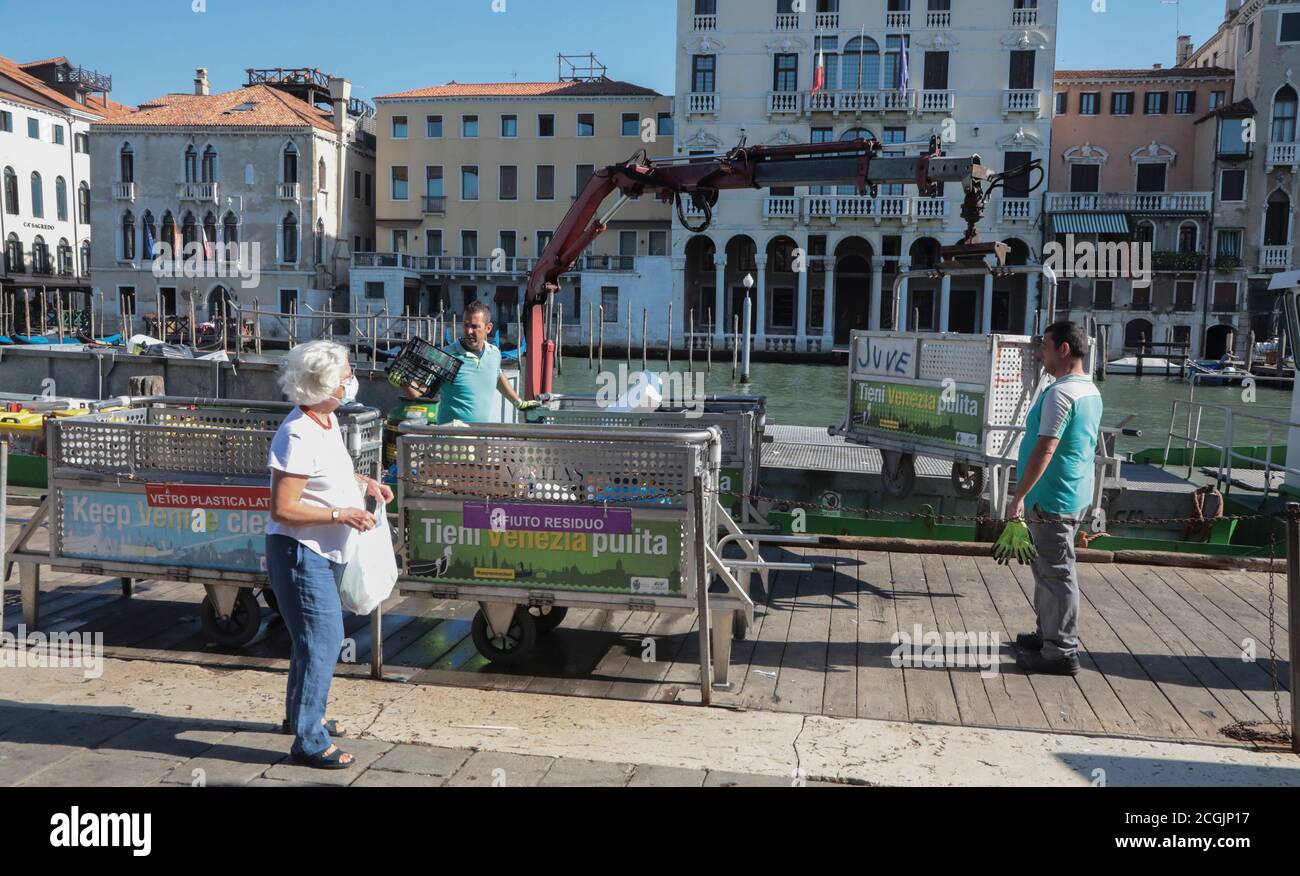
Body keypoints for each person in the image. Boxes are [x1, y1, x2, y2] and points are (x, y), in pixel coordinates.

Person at [266, 340, 393, 769]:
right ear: (322, 385)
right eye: (344, 377)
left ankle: (302, 717)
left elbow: (329, 473)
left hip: (320, 551)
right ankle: (310, 740)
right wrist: (341, 512)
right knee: (322, 639)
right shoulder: (298, 432)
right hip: (301, 552)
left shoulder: (325, 421)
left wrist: (363, 484)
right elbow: (283, 507)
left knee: (310, 640)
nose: (351, 382)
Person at [1007, 322, 1103, 677]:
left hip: (1053, 498)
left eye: (1045, 346)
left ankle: (1061, 650)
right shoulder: (1089, 390)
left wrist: (1019, 495)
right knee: (1047, 569)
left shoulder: (1060, 394)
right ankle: (1048, 634)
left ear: (1064, 350)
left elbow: (1046, 447)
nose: (1040, 353)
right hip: (1073, 492)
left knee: (1056, 573)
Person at [435, 301, 538, 424]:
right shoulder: (445, 355)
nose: (468, 331)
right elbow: (418, 390)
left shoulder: (494, 353)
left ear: (488, 328)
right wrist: (406, 381)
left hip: (480, 436)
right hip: (449, 439)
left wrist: (519, 403)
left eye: (474, 326)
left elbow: (498, 376)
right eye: (466, 325)